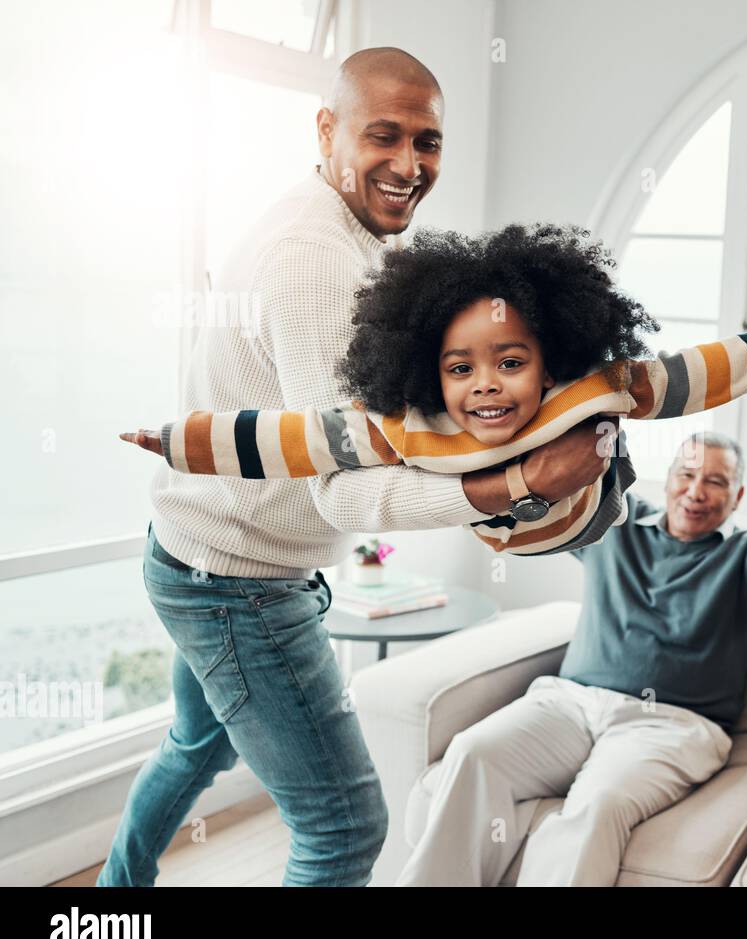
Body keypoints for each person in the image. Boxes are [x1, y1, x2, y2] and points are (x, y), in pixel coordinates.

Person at [98, 48, 610, 887]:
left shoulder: (352, 235)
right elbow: (345, 491)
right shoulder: (317, 261)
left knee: (195, 747)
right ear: (328, 131)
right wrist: (518, 486)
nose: (410, 165)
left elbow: (376, 419)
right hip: (238, 580)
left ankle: (112, 902)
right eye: (386, 136)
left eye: (429, 142)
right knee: (343, 826)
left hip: (196, 546)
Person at [120, 222, 747, 555]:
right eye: (460, 369)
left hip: (588, 509)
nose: (486, 388)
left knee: (619, 424)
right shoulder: (407, 425)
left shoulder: (588, 390)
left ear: (551, 360)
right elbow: (292, 439)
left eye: (511, 363)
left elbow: (692, 375)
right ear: (429, 375)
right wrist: (180, 443)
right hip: (503, 522)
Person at [396, 432, 747, 885]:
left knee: (598, 803)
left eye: (716, 481)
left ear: (738, 495)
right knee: (471, 754)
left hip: (672, 727)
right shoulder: (613, 523)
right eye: (687, 474)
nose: (696, 492)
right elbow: (567, 481)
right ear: (670, 476)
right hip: (570, 704)